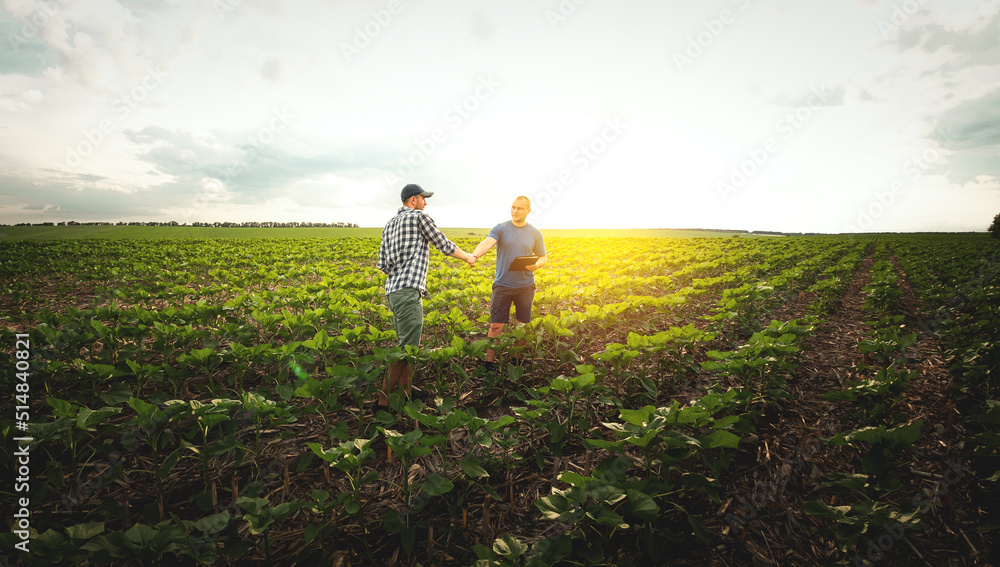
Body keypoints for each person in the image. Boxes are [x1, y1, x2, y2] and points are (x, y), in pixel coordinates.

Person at [376, 183, 477, 407]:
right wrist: (467, 257)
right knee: (407, 350)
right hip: (409, 290)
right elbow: (442, 243)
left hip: (393, 291)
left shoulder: (389, 224)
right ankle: (382, 402)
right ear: (413, 200)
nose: (425, 202)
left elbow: (382, 264)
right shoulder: (419, 217)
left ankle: (405, 391)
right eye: (423, 198)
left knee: (406, 345)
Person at [472, 196, 547, 367]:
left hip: (525, 287)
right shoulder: (501, 228)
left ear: (528, 211)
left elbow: (543, 257)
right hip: (503, 285)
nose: (515, 211)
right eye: (513, 207)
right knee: (496, 326)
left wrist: (536, 265)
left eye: (520, 208)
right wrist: (475, 255)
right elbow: (488, 242)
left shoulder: (535, 233)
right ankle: (488, 363)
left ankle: (517, 360)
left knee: (522, 328)